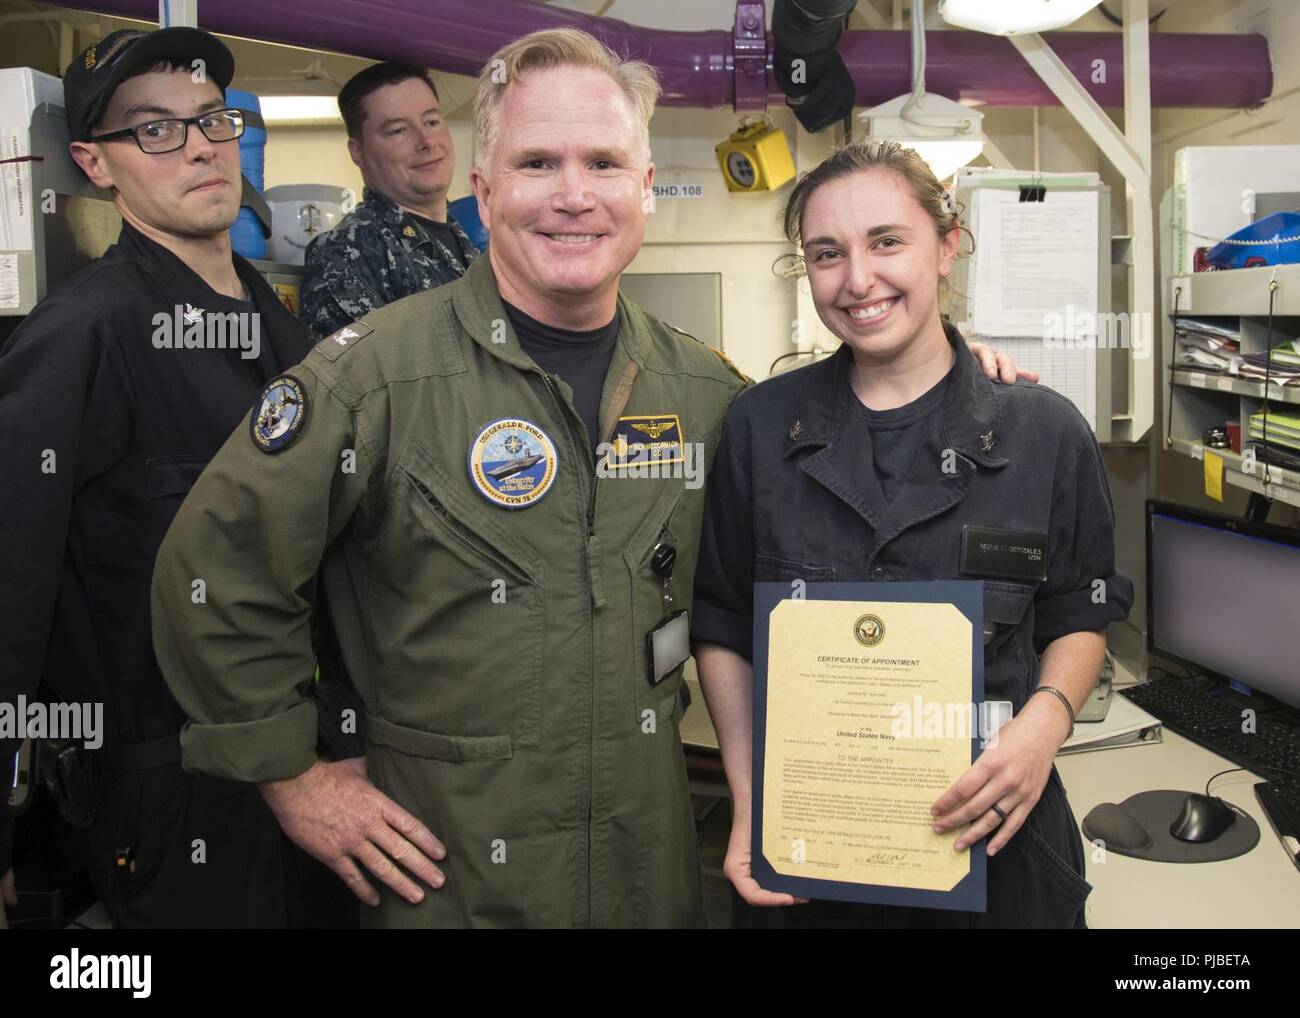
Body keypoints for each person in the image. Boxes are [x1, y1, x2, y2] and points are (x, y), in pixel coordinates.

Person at [149, 30, 1029, 929]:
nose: (574, 196)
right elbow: (214, 578)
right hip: (450, 877)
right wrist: (293, 777)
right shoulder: (373, 382)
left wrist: (956, 374)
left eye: (604, 163)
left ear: (644, 189)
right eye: (537, 162)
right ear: (483, 195)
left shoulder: (708, 394)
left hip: (644, 866)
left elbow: (824, 510)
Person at [691, 140, 1133, 930]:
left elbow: (1080, 612)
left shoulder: (1043, 433)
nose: (858, 279)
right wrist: (751, 802)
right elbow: (722, 620)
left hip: (999, 855)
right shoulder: (760, 427)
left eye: (887, 241)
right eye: (827, 253)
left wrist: (1043, 726)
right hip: (811, 859)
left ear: (947, 245)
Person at [0, 27, 325, 927]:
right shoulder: (84, 336)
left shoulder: (282, 333)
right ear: (93, 165)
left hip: (312, 770)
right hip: (169, 792)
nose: (197, 144)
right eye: (153, 130)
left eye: (211, 119)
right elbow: (11, 587)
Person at [299, 62, 479, 338]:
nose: (426, 141)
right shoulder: (345, 251)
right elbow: (357, 376)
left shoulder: (471, 249)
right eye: (398, 130)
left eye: (431, 122)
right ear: (357, 152)